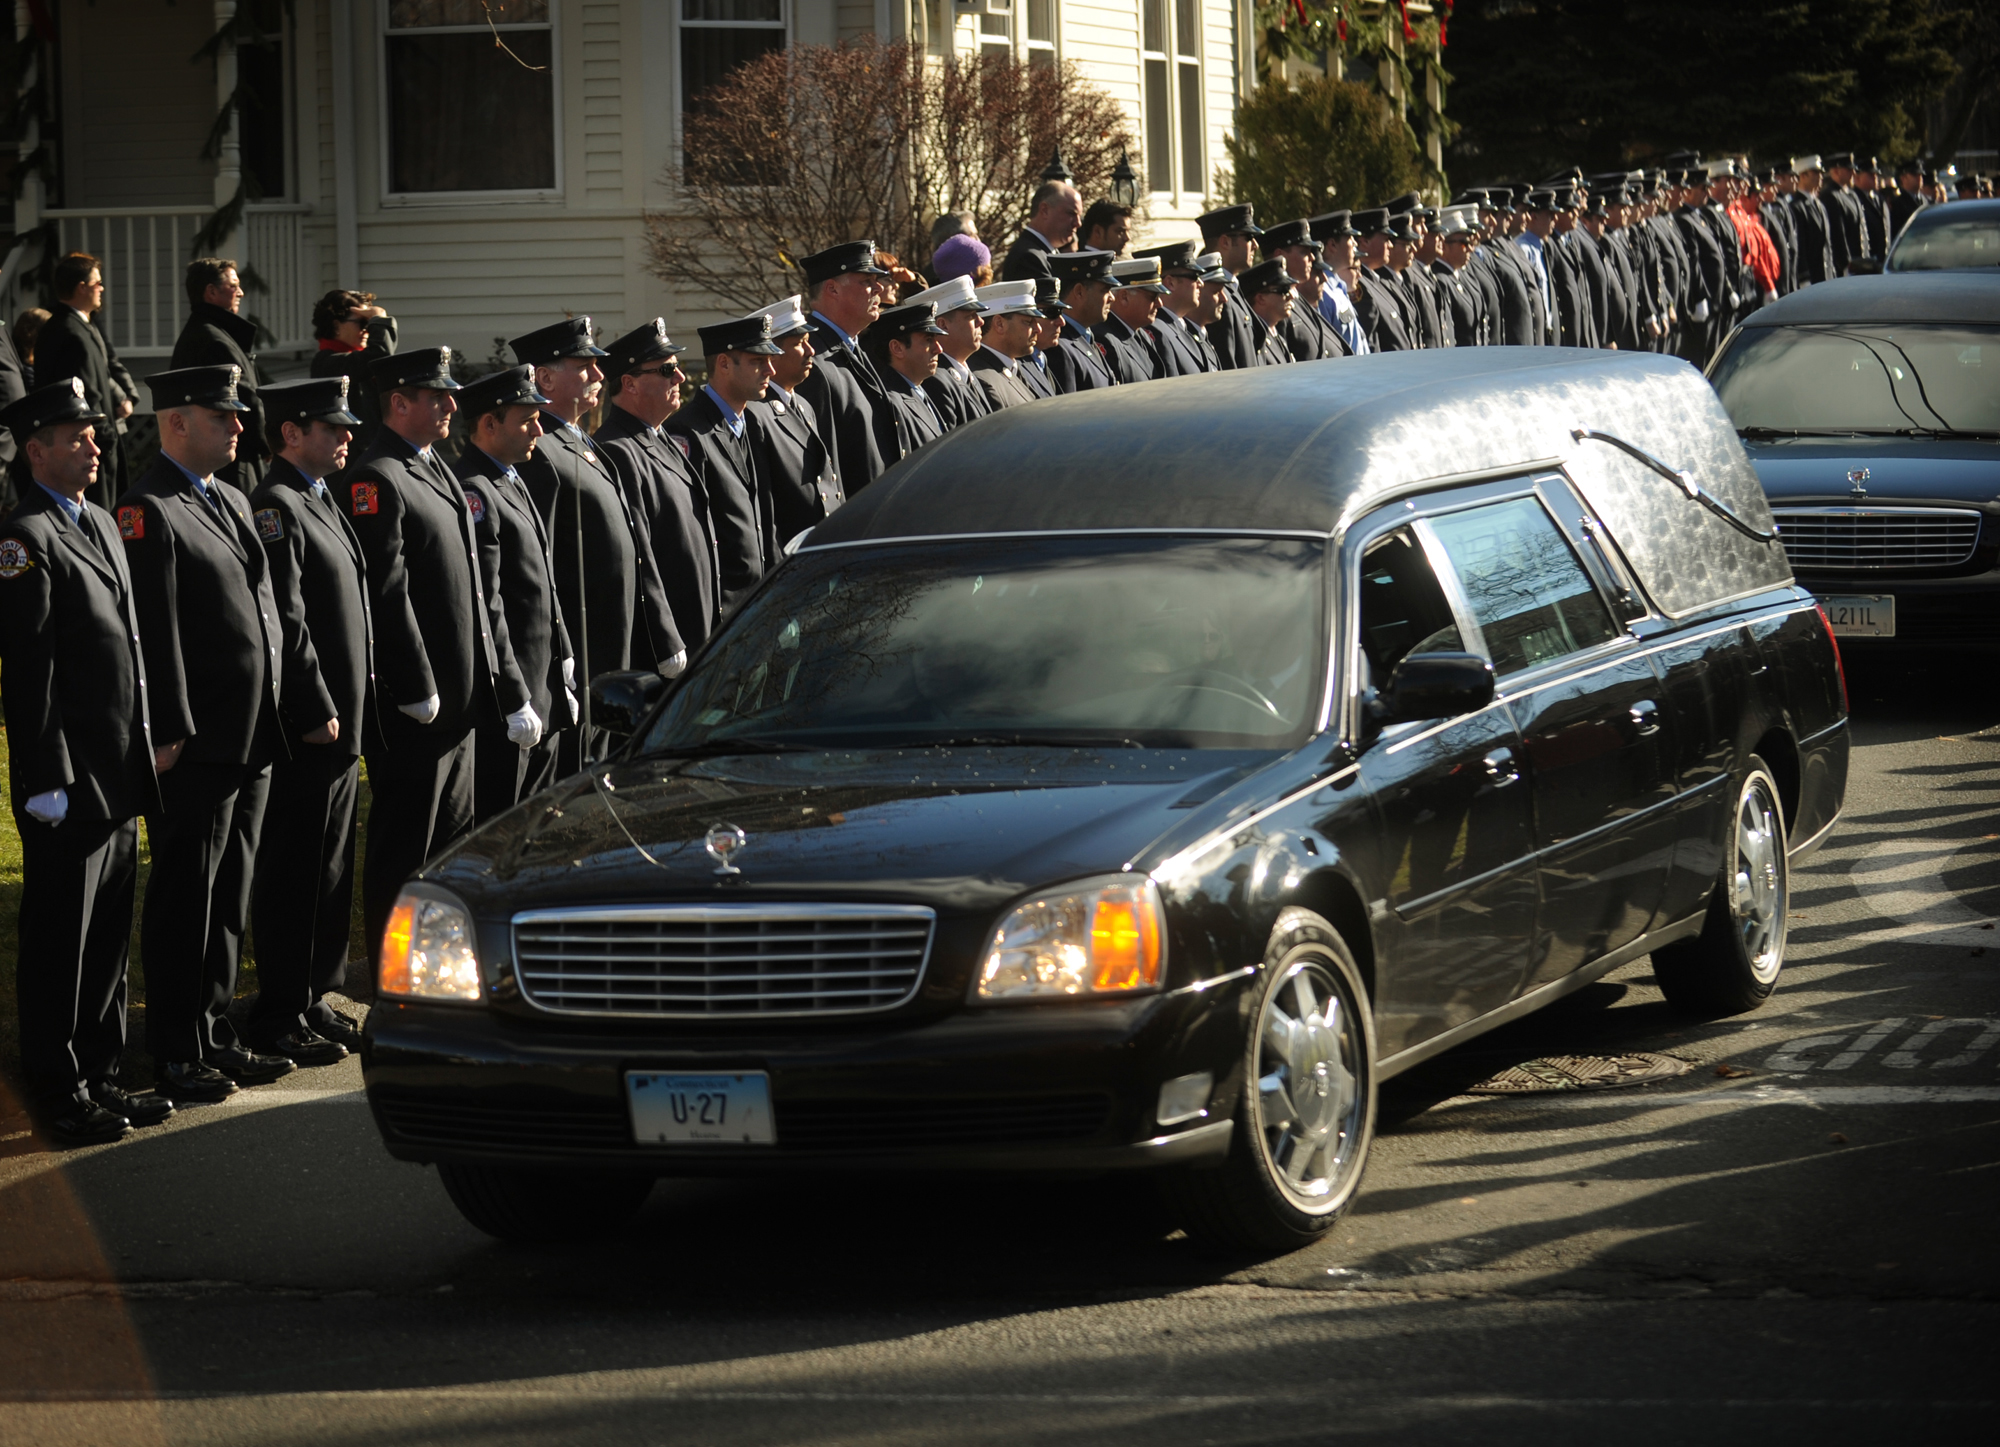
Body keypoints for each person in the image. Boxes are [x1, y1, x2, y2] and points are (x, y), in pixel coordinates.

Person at [120, 365, 332, 1102]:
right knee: (188, 895)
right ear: (176, 422)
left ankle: (213, 1030)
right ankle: (175, 1047)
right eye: (222, 415)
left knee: (231, 890)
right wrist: (170, 727)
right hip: (200, 740)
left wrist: (301, 703)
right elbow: (156, 630)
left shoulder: (231, 498)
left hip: (252, 736)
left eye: (237, 414)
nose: (239, 425)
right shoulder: (147, 508)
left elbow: (273, 611)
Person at [0, 380, 165, 1144]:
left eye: (94, 434)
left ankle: (101, 1073)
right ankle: (57, 1090)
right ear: (36, 450)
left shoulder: (97, 518)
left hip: (117, 769)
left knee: (106, 937)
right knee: (60, 944)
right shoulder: (23, 536)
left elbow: (128, 649)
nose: (95, 445)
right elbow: (31, 671)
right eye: (76, 436)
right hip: (68, 781)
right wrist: (43, 778)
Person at [343, 347, 531, 959]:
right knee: (406, 850)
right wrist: (415, 685)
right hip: (418, 709)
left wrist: (497, 684)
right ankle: (395, 975)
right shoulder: (376, 476)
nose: (452, 403)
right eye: (436, 396)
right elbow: (387, 592)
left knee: (449, 849)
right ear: (399, 402)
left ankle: (437, 966)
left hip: (462, 703)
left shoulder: (436, 467)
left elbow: (477, 590)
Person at [243, 377, 375, 1061]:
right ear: (291, 433)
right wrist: (315, 704)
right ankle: (280, 1008)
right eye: (331, 426)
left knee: (328, 867)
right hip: (310, 727)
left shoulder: (316, 497)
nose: (346, 435)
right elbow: (287, 620)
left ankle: (316, 995)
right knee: (295, 870)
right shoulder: (277, 504)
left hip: (340, 726)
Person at [511, 318, 683, 773]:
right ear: (544, 378)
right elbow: (538, 564)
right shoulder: (539, 449)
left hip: (611, 650)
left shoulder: (578, 440)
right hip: (580, 656)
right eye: (584, 366)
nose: (598, 376)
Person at [452, 367, 576, 823]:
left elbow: (542, 578)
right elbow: (489, 601)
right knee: (505, 827)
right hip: (513, 698)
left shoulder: (509, 478)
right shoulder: (475, 489)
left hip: (541, 685)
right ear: (489, 424)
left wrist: (563, 657)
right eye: (526, 420)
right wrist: (513, 696)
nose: (538, 431)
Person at [594, 319, 720, 655]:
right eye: (666, 371)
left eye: (677, 367)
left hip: (700, 633)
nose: (680, 377)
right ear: (629, 384)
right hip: (671, 644)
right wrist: (666, 642)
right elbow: (640, 555)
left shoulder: (661, 437)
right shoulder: (618, 450)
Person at [665, 312, 782, 613]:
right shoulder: (687, 431)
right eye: (757, 361)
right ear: (724, 364)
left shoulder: (752, 423)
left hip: (758, 606)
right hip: (723, 613)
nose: (770, 369)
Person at [34, 253, 136, 509]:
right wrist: (106, 439)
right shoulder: (71, 333)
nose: (101, 289)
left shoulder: (76, 327)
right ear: (81, 288)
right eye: (97, 283)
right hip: (87, 451)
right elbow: (87, 395)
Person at [743, 296, 843, 549]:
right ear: (773, 355)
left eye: (808, 342)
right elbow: (765, 505)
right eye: (799, 343)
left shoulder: (803, 405)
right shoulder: (756, 414)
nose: (811, 351)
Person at [797, 241, 896, 492]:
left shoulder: (852, 347)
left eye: (877, 280)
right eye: (866, 281)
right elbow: (824, 470)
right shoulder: (812, 360)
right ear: (832, 289)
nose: (878, 288)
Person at [170, 258, 269, 492]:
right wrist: (270, 445)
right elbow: (246, 399)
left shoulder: (212, 333)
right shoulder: (213, 340)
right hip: (232, 461)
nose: (241, 292)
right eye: (233, 286)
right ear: (211, 292)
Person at [308, 289, 397, 462]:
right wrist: (380, 320)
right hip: (351, 463)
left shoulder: (357, 360)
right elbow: (379, 356)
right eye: (363, 323)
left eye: (369, 324)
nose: (367, 330)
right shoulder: (327, 362)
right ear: (336, 326)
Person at [860, 301, 950, 451]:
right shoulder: (890, 404)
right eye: (928, 340)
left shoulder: (917, 391)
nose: (938, 349)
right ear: (897, 348)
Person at [905, 276, 993, 427]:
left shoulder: (965, 375)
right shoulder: (936, 379)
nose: (981, 321)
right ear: (943, 326)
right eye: (971, 316)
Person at [1043, 250, 1122, 393]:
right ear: (1079, 291)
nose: (1112, 298)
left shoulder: (1084, 337)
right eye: (1105, 290)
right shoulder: (1059, 348)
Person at [1197, 204, 1263, 368]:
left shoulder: (1231, 288)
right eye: (1248, 237)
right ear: (1225, 241)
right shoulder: (1217, 297)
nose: (1255, 245)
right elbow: (1228, 367)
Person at [967, 280, 1047, 409]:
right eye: (1028, 322)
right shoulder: (983, 378)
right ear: (999, 324)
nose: (1038, 329)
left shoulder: (1013, 367)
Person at [1097, 258, 1170, 382]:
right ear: (1124, 297)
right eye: (1153, 297)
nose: (1159, 303)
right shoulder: (1105, 339)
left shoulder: (1141, 334)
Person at [1000, 180, 1083, 281]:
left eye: (1079, 216)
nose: (1078, 223)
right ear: (1045, 210)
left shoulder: (1043, 253)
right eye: (1071, 213)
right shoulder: (1029, 258)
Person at [1236, 259, 1299, 367]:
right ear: (1260, 298)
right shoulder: (1254, 341)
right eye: (1283, 290)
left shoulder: (1275, 335)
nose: (1291, 296)